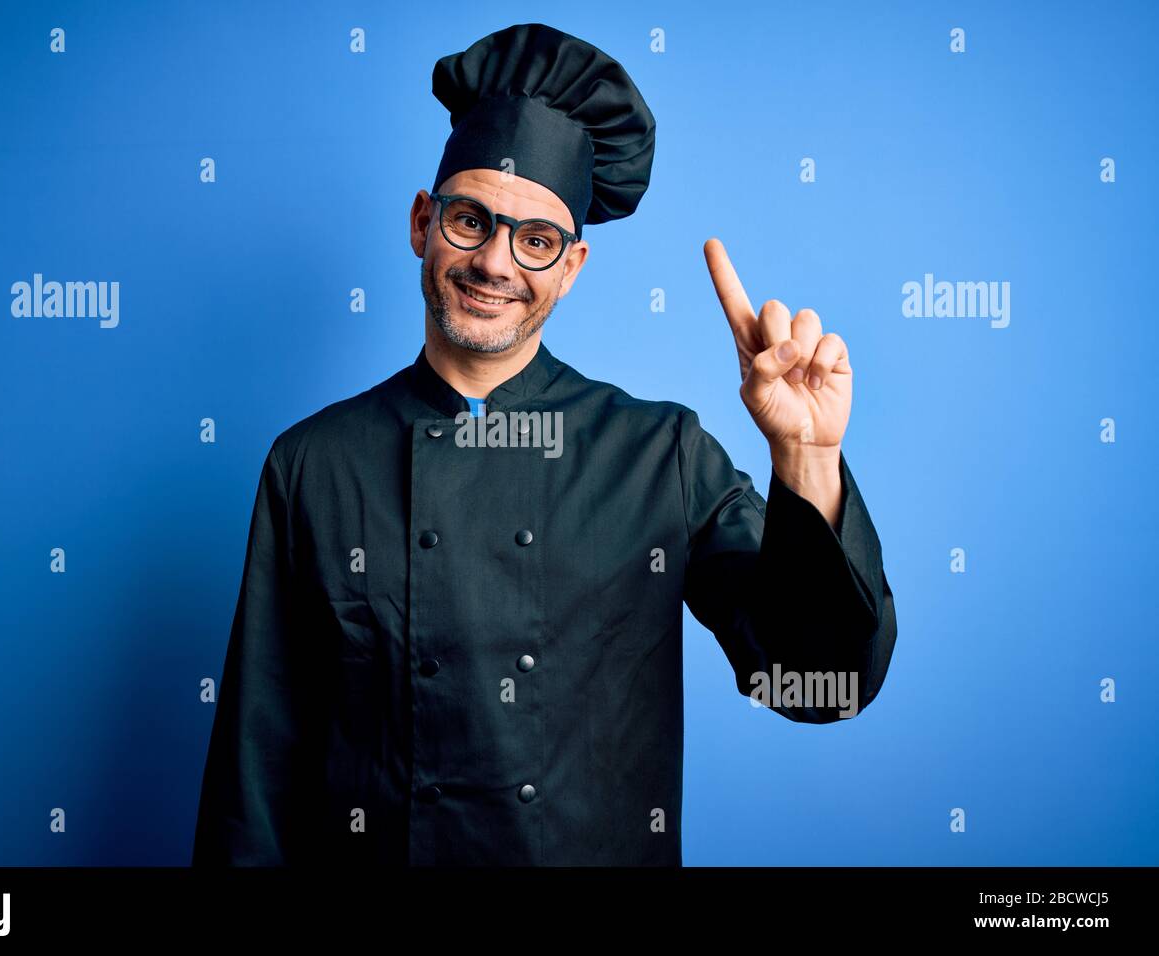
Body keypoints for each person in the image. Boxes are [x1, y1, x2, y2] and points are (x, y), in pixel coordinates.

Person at [192, 22, 897, 867]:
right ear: (421, 223)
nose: (495, 262)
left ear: (571, 267)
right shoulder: (313, 463)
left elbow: (823, 684)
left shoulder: (660, 454)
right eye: (469, 221)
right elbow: (255, 775)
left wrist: (807, 460)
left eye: (535, 240)